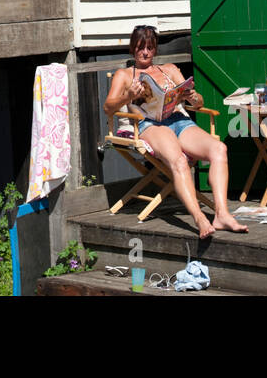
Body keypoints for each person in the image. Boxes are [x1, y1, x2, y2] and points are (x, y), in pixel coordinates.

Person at [104, 25, 248, 239]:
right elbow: (108, 107)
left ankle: (222, 214)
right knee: (179, 161)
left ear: (156, 50)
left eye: (150, 48)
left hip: (178, 120)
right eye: (141, 47)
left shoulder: (169, 69)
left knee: (219, 149)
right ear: (132, 48)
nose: (145, 52)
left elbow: (199, 103)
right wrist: (128, 97)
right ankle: (199, 218)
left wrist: (192, 97)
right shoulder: (124, 75)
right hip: (150, 124)